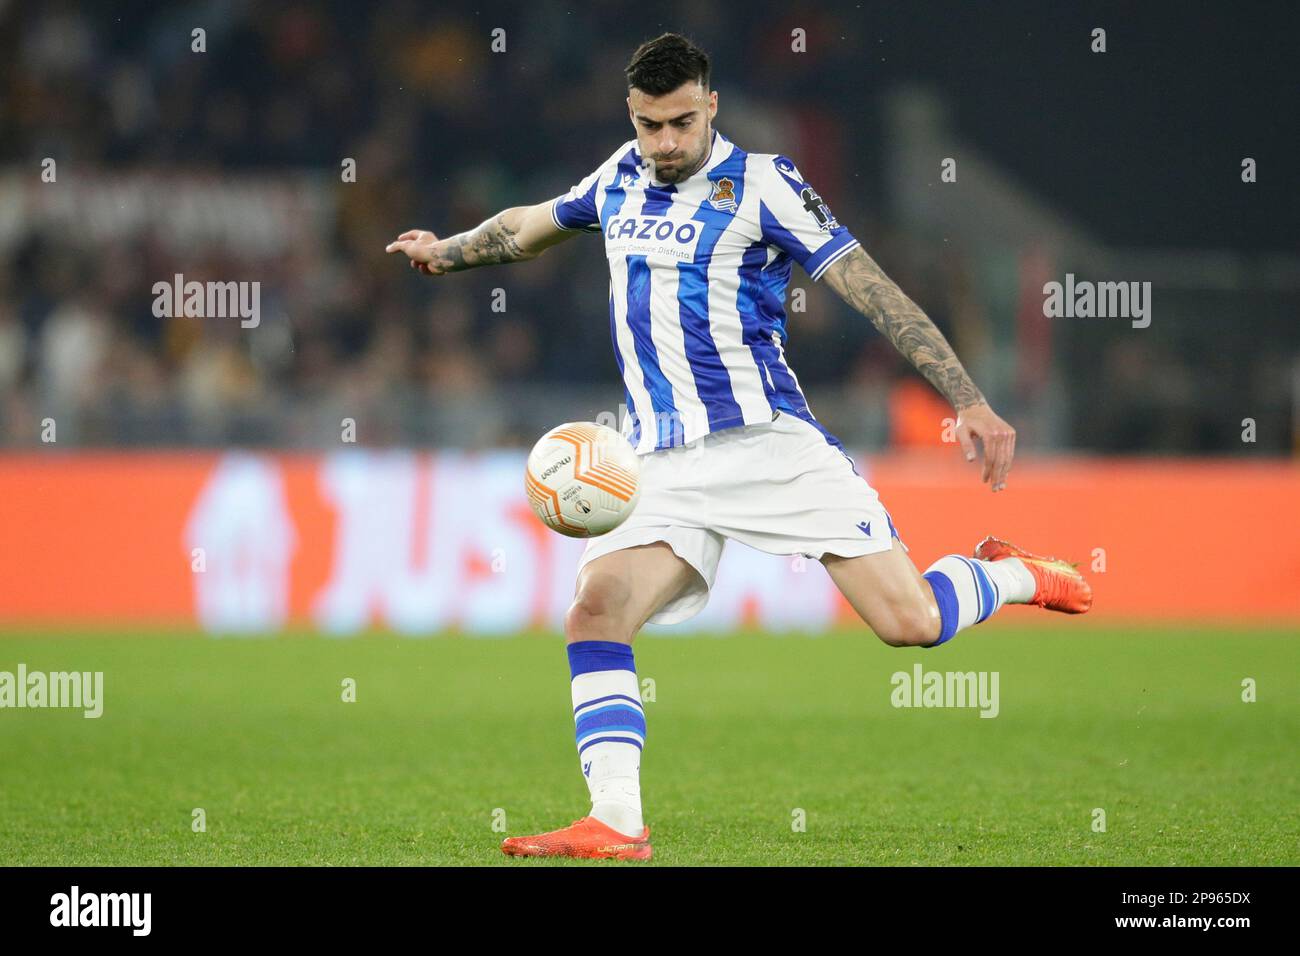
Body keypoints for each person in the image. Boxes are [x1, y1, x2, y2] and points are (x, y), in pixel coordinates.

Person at [386, 33, 1091, 861]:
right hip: (655, 463)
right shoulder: (619, 175)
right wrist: (448, 251)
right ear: (632, 116)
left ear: (712, 105)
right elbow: (528, 227)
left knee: (910, 623)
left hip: (768, 447)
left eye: (682, 122)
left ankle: (1010, 572)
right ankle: (615, 822)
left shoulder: (767, 185)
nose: (666, 143)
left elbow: (873, 291)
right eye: (651, 125)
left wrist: (968, 399)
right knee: (596, 610)